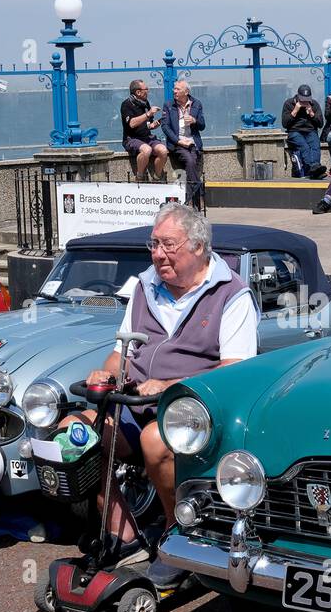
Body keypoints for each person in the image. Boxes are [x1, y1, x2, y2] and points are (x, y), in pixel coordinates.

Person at [71, 203, 259, 586]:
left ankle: (180, 537)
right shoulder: (143, 286)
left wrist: (170, 387)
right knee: (74, 434)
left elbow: (237, 373)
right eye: (154, 244)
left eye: (168, 245)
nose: (157, 254)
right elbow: (119, 351)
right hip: (137, 403)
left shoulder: (232, 295)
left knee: (155, 440)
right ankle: (123, 537)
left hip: (193, 414)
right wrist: (107, 372)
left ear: (197, 246)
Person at [162, 80, 206, 209]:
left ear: (186, 92)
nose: (174, 91)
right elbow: (165, 127)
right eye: (174, 89)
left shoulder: (196, 104)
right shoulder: (168, 105)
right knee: (190, 160)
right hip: (178, 143)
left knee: (191, 161)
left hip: (192, 142)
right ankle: (199, 196)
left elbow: (202, 126)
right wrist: (178, 141)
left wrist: (194, 120)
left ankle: (192, 199)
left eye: (177, 89)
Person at [119, 79, 168, 181]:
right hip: (132, 138)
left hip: (147, 137)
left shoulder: (145, 103)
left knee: (163, 151)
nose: (148, 91)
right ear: (138, 92)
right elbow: (132, 124)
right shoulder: (126, 104)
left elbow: (148, 125)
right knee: (147, 150)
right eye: (146, 89)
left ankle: (157, 177)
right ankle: (140, 176)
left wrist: (158, 122)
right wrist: (148, 114)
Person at [281, 84, 327, 178]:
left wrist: (311, 113)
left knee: (315, 144)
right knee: (304, 146)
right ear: (298, 96)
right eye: (303, 99)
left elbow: (320, 124)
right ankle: (314, 168)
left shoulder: (314, 104)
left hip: (310, 131)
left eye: (307, 99)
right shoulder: (288, 104)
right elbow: (285, 124)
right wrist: (295, 111)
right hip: (294, 131)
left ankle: (314, 169)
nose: (305, 101)